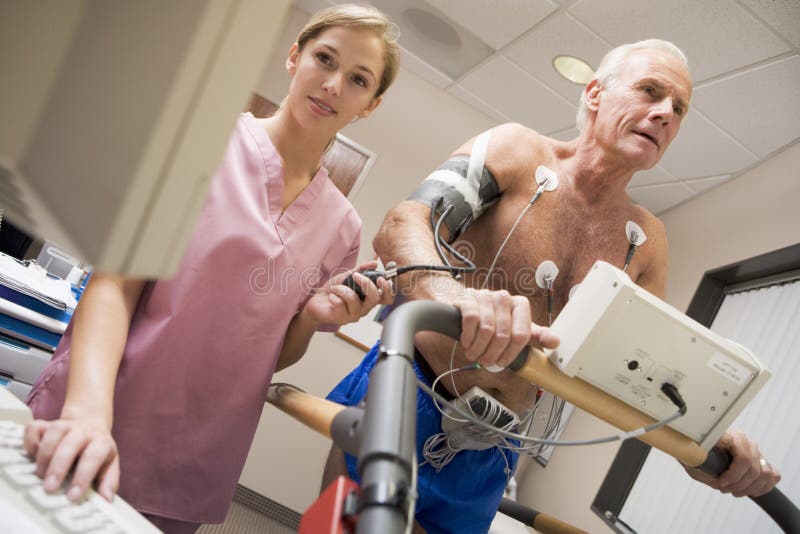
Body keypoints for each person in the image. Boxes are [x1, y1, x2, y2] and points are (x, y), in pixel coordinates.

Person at [323, 39, 781, 533]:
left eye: (679, 108)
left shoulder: (648, 241)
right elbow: (404, 223)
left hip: (495, 444)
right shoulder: (516, 150)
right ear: (595, 94)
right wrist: (453, 298)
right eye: (650, 91)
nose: (665, 113)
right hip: (409, 390)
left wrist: (705, 438)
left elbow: (644, 377)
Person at [22, 5, 399, 533]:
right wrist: (87, 411)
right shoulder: (199, 143)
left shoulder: (343, 228)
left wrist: (311, 318)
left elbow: (269, 354)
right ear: (295, 57)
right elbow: (115, 282)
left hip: (192, 456)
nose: (334, 85)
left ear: (371, 104)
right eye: (325, 59)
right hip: (93, 408)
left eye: (358, 79)